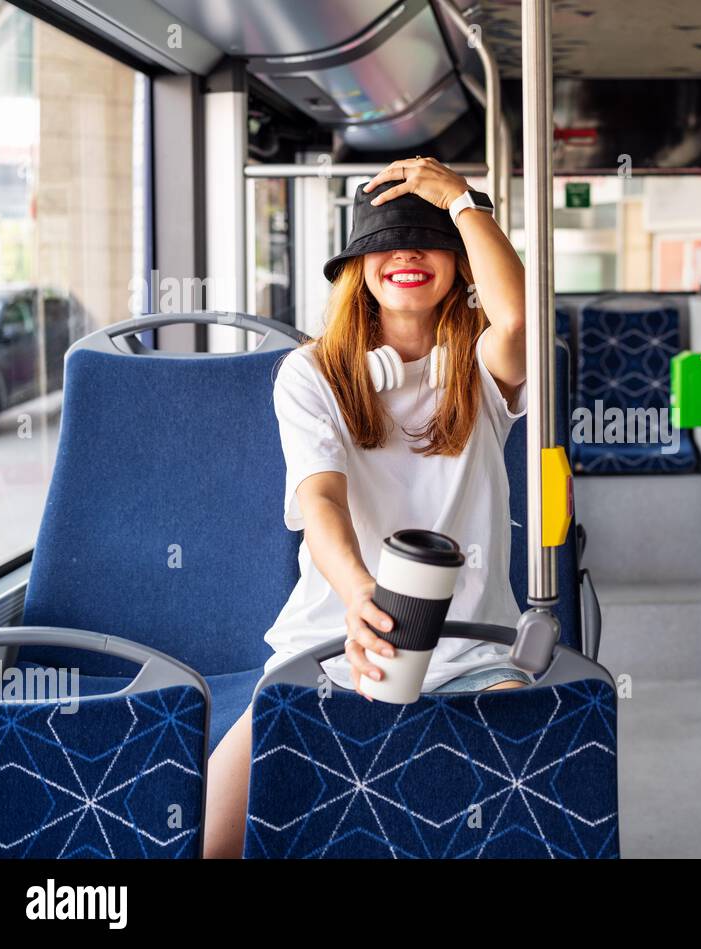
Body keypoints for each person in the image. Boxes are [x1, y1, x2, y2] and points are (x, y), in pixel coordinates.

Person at [202, 157, 527, 858]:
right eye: (384, 241)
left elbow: (518, 312)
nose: (405, 254)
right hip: (331, 644)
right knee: (211, 840)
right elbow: (320, 496)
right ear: (359, 267)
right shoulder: (311, 373)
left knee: (518, 823)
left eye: (428, 237)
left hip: (472, 650)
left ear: (460, 261)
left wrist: (462, 199)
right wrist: (360, 598)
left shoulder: (480, 365)